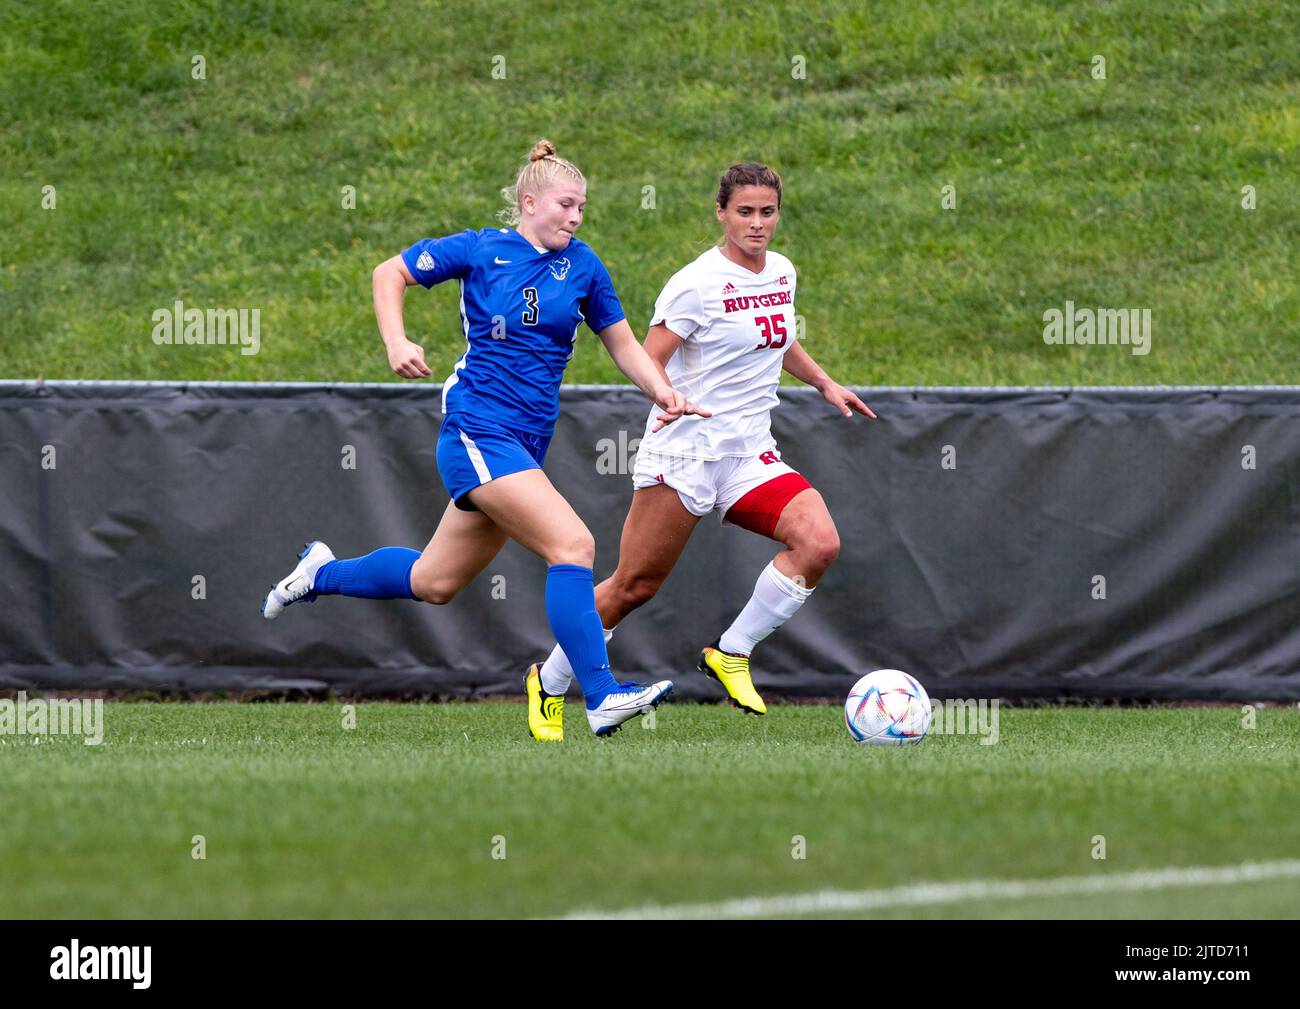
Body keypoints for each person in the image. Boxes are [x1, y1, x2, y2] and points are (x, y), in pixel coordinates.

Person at [262, 139, 707, 736]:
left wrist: (664, 391)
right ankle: (601, 695)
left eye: (582, 208)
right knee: (573, 546)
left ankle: (319, 574)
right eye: (565, 205)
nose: (575, 218)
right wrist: (396, 341)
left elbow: (623, 344)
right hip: (478, 427)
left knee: (435, 582)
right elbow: (388, 272)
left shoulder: (583, 265)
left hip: (524, 443)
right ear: (529, 202)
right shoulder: (481, 249)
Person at [526, 162, 875, 741]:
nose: (757, 224)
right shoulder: (697, 282)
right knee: (634, 586)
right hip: (685, 450)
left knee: (819, 542)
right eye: (744, 212)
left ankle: (731, 651)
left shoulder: (782, 272)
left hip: (748, 451)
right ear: (721, 213)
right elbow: (647, 355)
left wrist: (824, 382)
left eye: (767, 212)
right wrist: (665, 399)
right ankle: (551, 680)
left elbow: (778, 335)